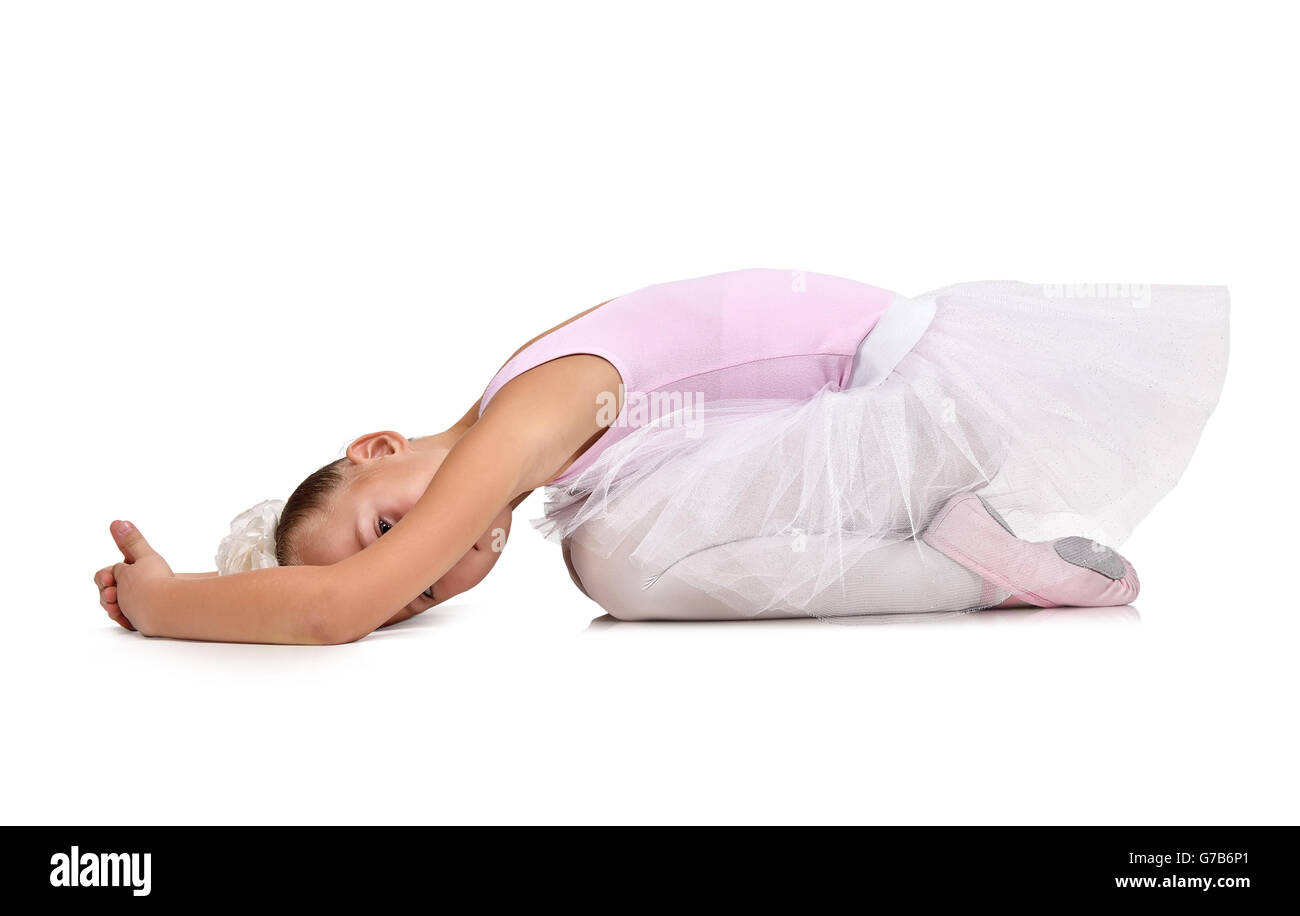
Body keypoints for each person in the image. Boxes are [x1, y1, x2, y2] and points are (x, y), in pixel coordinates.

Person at [93, 268, 1229, 641]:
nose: (442, 561)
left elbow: (337, 607)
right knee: (611, 556)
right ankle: (950, 550)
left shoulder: (530, 410)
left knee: (617, 553)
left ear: (378, 445)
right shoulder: (536, 432)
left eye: (392, 530)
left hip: (930, 402)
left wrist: (164, 603)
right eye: (428, 589)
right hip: (883, 427)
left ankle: (980, 560)